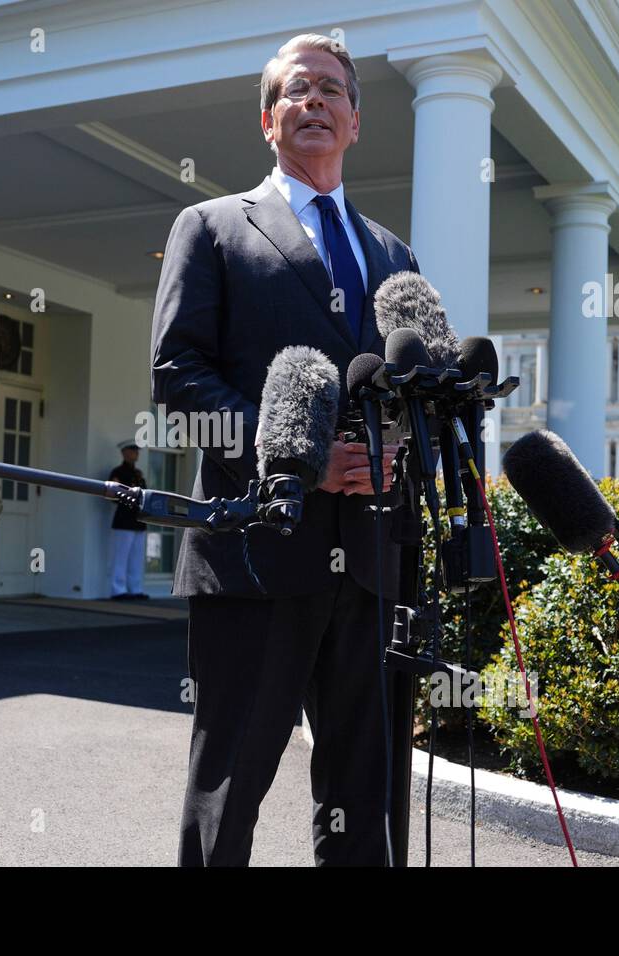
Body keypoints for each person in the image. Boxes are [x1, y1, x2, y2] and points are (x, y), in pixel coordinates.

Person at [151, 34, 420, 866]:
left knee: (365, 802)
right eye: (296, 91)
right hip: (254, 559)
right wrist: (294, 455)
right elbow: (176, 374)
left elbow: (411, 389)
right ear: (269, 120)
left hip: (373, 565)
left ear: (355, 121)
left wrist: (392, 452)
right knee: (228, 793)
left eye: (331, 90)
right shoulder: (211, 228)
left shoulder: (394, 257)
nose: (315, 102)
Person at [108, 440, 150, 600]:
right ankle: (118, 590)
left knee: (136, 558)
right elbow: (113, 496)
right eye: (133, 450)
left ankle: (135, 589)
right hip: (124, 520)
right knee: (121, 557)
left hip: (137, 521)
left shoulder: (138, 474)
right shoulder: (118, 472)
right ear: (124, 453)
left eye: (137, 451)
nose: (136, 453)